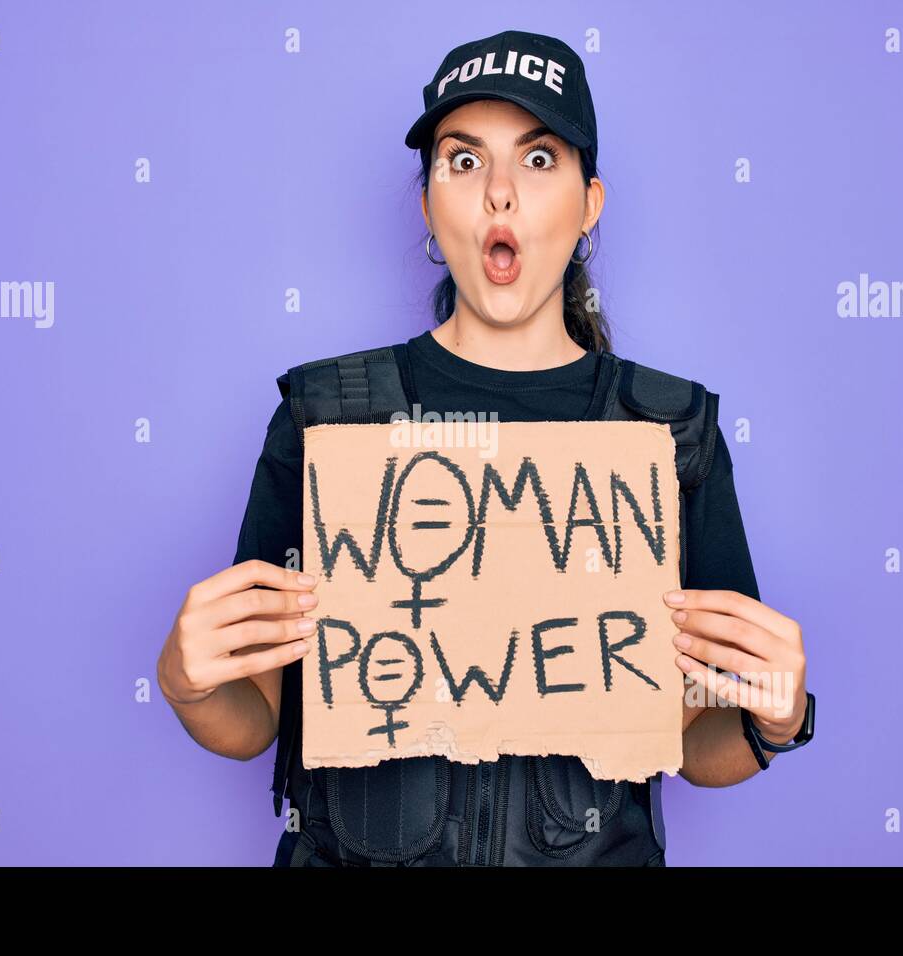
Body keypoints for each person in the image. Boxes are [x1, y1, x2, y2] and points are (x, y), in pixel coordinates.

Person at [156, 30, 814, 867]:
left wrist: (774, 716)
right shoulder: (326, 422)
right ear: (430, 201)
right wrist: (186, 681)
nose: (500, 193)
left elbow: (692, 740)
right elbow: (256, 717)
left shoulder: (669, 435)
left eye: (538, 161)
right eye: (463, 162)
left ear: (590, 202)